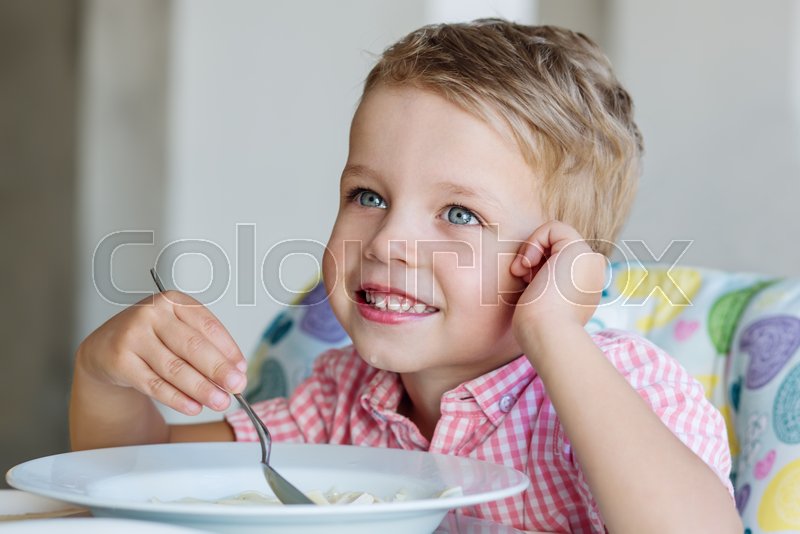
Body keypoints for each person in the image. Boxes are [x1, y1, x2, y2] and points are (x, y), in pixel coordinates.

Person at [70, 19, 742, 533]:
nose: (389, 242)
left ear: (554, 260)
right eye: (368, 196)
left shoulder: (620, 391)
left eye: (458, 212)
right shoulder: (340, 403)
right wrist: (104, 374)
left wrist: (555, 332)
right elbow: (141, 479)